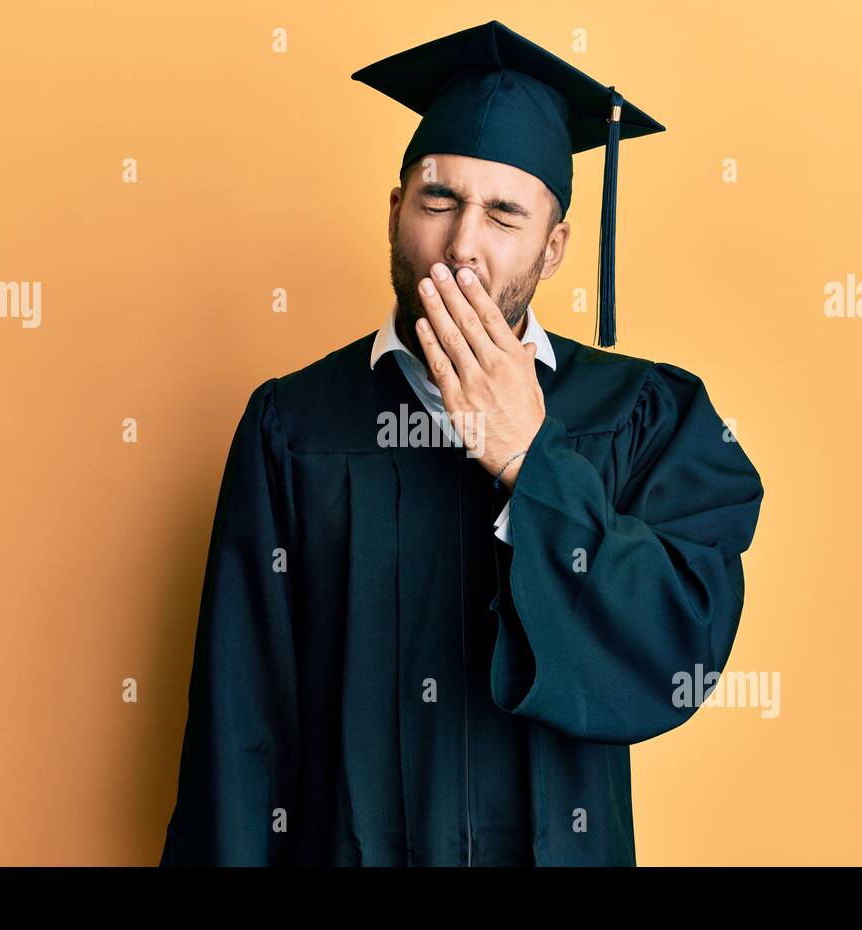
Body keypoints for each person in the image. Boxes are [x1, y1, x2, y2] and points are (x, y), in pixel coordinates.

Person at [159, 20, 764, 867]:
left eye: (505, 214)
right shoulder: (293, 427)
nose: (461, 246)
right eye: (437, 202)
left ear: (553, 250)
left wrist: (530, 461)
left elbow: (677, 655)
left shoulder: (645, 415)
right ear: (396, 209)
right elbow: (241, 721)